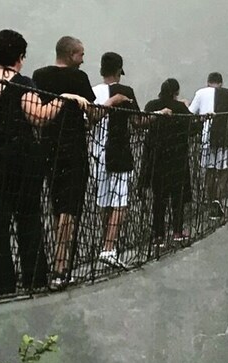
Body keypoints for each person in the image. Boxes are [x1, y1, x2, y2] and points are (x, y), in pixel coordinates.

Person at [0, 29, 87, 294]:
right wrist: (64, 99)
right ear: (20, 57)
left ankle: (0, 285)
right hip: (19, 161)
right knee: (28, 219)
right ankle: (34, 279)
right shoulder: (23, 84)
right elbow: (37, 116)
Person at [31, 36, 123, 286]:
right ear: (71, 54)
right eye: (81, 54)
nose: (83, 59)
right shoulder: (78, 78)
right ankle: (61, 268)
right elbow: (92, 114)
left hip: (48, 148)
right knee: (70, 208)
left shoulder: (39, 75)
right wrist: (112, 102)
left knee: (56, 204)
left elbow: (35, 108)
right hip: (73, 149)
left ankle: (56, 261)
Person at [91, 52, 139, 268]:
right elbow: (138, 122)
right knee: (120, 202)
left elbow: (89, 120)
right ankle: (109, 248)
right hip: (119, 152)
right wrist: (161, 113)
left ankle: (105, 244)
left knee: (104, 202)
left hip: (97, 154)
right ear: (119, 70)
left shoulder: (92, 91)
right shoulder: (125, 91)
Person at [139, 79, 196, 248]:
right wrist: (190, 110)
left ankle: (158, 235)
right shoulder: (180, 108)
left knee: (159, 198)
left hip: (156, 158)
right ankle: (177, 232)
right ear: (176, 92)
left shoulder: (152, 105)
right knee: (177, 197)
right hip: (177, 159)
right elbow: (192, 129)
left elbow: (143, 123)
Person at [187, 72, 228, 219]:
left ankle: (208, 202)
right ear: (221, 83)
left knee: (209, 171)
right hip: (223, 137)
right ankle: (217, 201)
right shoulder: (227, 93)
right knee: (222, 170)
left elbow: (190, 113)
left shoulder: (200, 93)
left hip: (206, 138)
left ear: (208, 82)